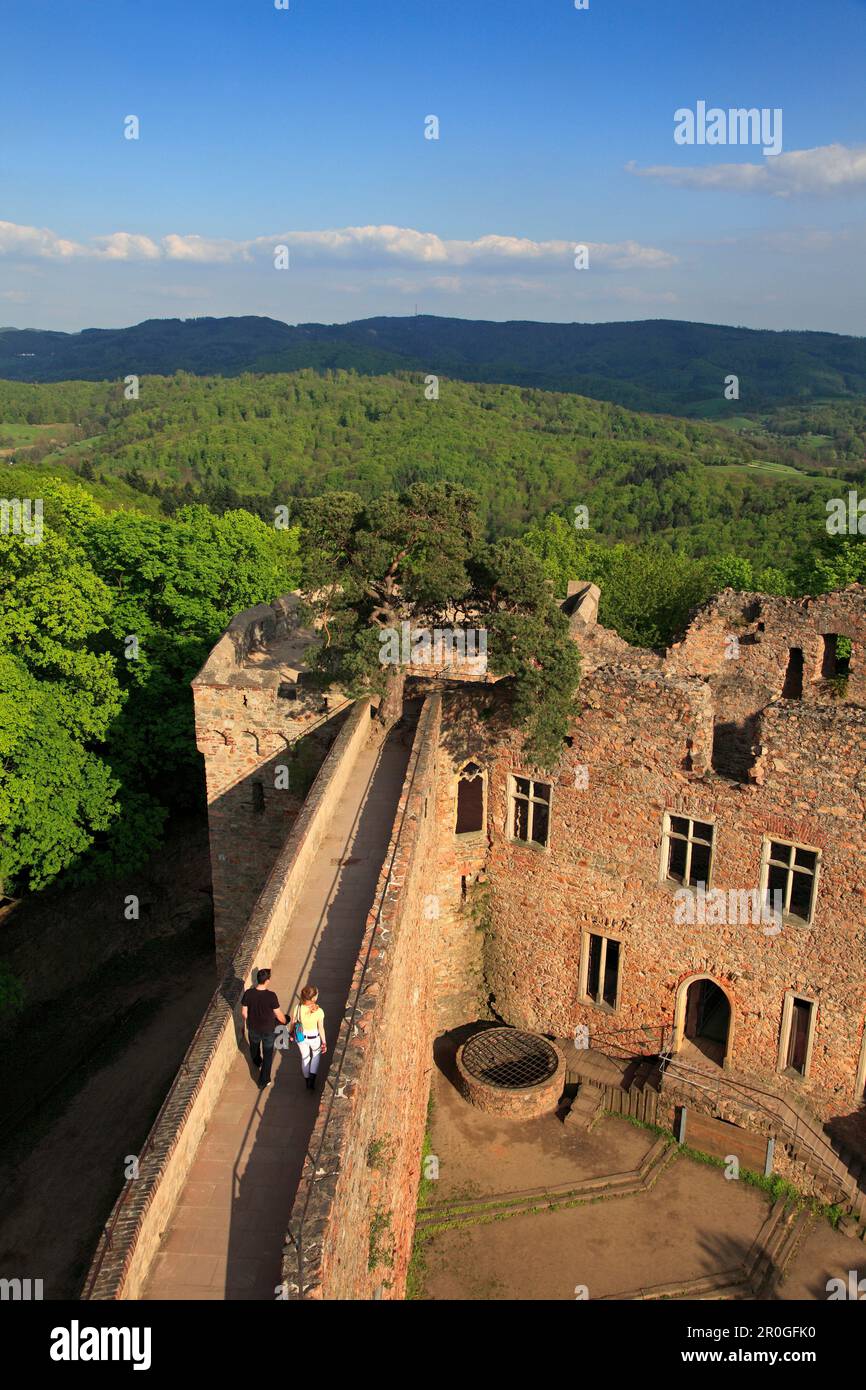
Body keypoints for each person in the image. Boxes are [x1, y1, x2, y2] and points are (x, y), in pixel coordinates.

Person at [241, 968, 286, 1090]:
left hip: (253, 1028)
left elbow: (244, 1013)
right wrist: (284, 1021)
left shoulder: (248, 993)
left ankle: (257, 1061)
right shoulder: (271, 996)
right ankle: (263, 1080)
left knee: (254, 1047)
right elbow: (279, 1015)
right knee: (268, 1055)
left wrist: (247, 1023)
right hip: (268, 1030)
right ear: (267, 981)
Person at [293, 984, 327, 1090]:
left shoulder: (298, 1007)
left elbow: (293, 1023)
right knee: (316, 1055)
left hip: (301, 1036)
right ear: (313, 998)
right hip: (314, 1037)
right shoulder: (319, 1011)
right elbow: (321, 1028)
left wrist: (290, 1034)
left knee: (305, 1057)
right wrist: (324, 1042)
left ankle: (307, 1080)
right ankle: (312, 1080)